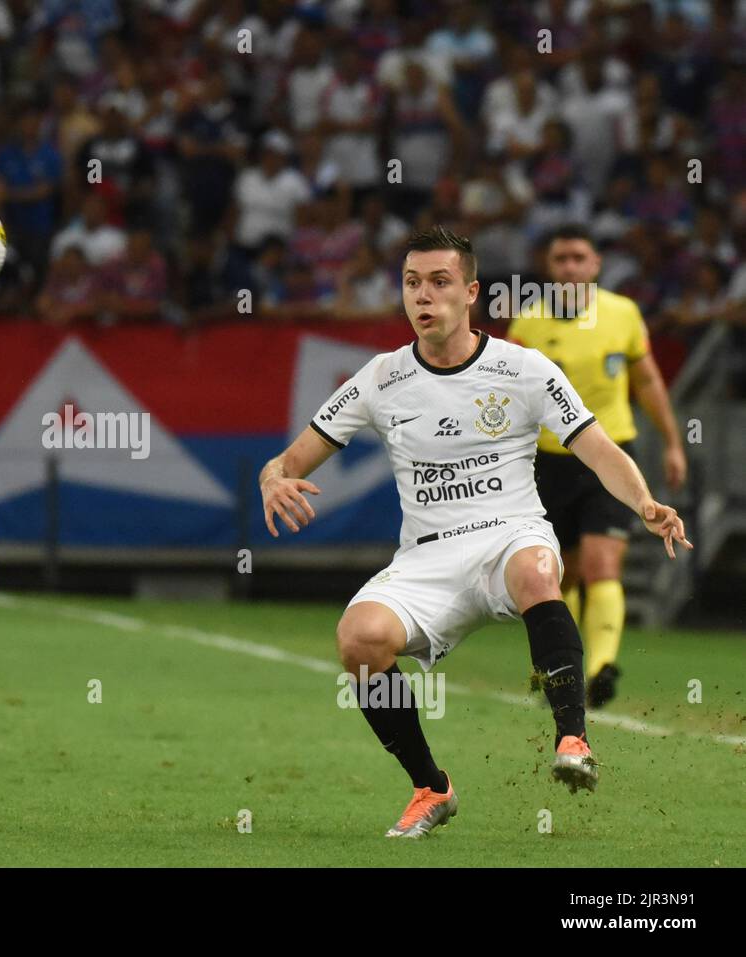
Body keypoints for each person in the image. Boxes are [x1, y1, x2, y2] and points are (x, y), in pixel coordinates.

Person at [258, 226, 691, 838]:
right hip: (426, 559)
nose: (423, 296)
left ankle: (573, 738)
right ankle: (431, 788)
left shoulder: (524, 368)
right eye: (412, 283)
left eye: (439, 282)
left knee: (539, 570)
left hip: (509, 533)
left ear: (470, 293)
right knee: (359, 640)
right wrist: (272, 478)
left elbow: (596, 447)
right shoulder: (380, 378)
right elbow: (289, 460)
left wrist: (644, 501)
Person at [509, 225, 686, 708]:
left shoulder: (623, 314)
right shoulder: (528, 322)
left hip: (609, 458)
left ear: (595, 265)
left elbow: (647, 381)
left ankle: (602, 667)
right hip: (548, 462)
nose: (569, 266)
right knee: (556, 576)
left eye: (578, 257)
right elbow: (509, 398)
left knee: (603, 564)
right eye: (561, 257)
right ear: (549, 266)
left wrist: (673, 442)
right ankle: (557, 662)